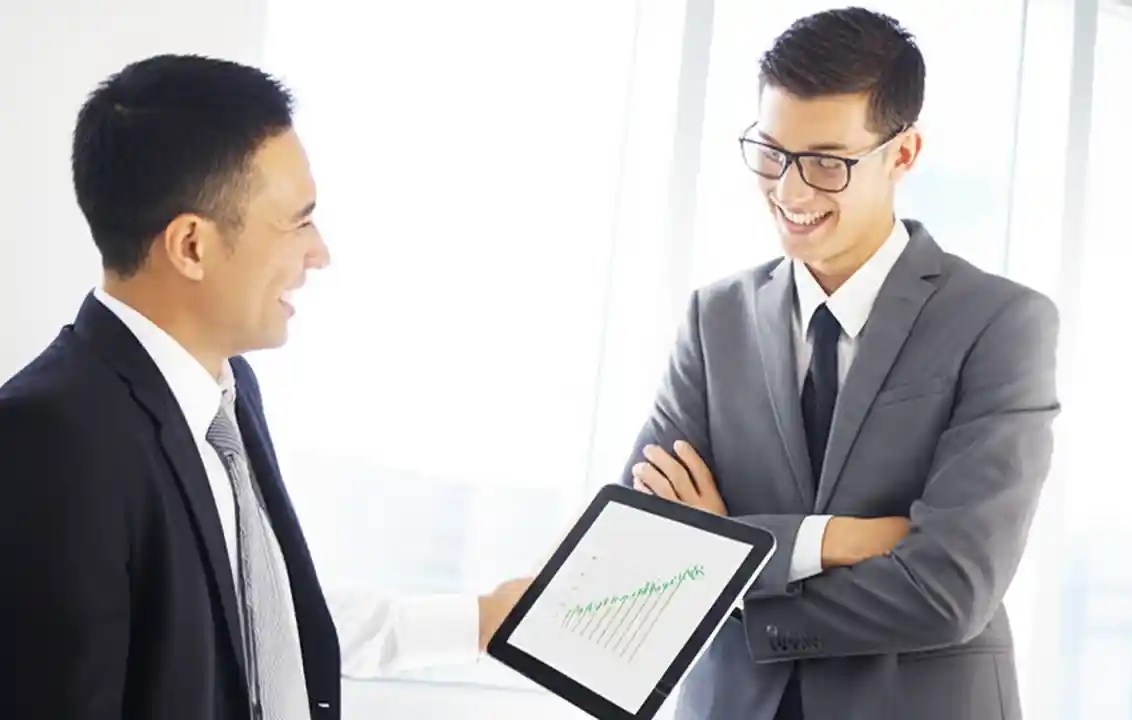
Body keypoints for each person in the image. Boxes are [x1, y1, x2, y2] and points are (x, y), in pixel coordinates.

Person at [0, 55, 530, 720]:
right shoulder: (50, 438)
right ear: (191, 246)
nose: (319, 253)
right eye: (299, 221)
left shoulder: (225, 388)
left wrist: (479, 620)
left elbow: (258, 617)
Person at [623, 7, 1059, 720]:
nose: (790, 192)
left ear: (904, 153)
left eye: (827, 163)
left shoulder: (1001, 323)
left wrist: (732, 564)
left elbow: (948, 591)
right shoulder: (716, 319)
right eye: (771, 153)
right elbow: (641, 554)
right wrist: (840, 541)